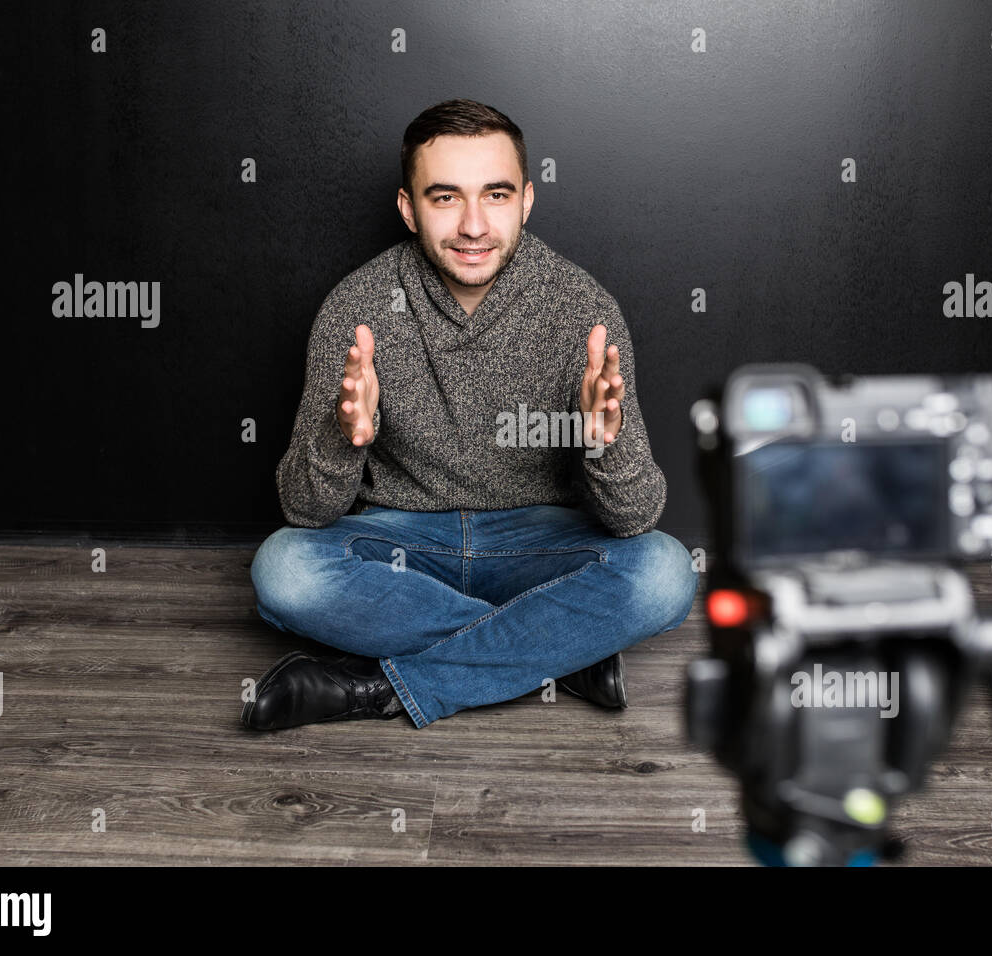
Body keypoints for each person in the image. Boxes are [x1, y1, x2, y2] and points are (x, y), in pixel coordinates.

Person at [244, 99, 697, 731]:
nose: (475, 225)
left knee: (665, 574)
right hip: (404, 546)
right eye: (446, 197)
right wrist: (343, 439)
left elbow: (637, 517)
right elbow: (305, 512)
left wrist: (605, 444)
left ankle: (375, 688)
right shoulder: (357, 308)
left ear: (527, 201)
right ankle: (557, 653)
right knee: (283, 569)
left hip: (538, 545)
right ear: (409, 209)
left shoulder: (582, 310)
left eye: (496, 195)